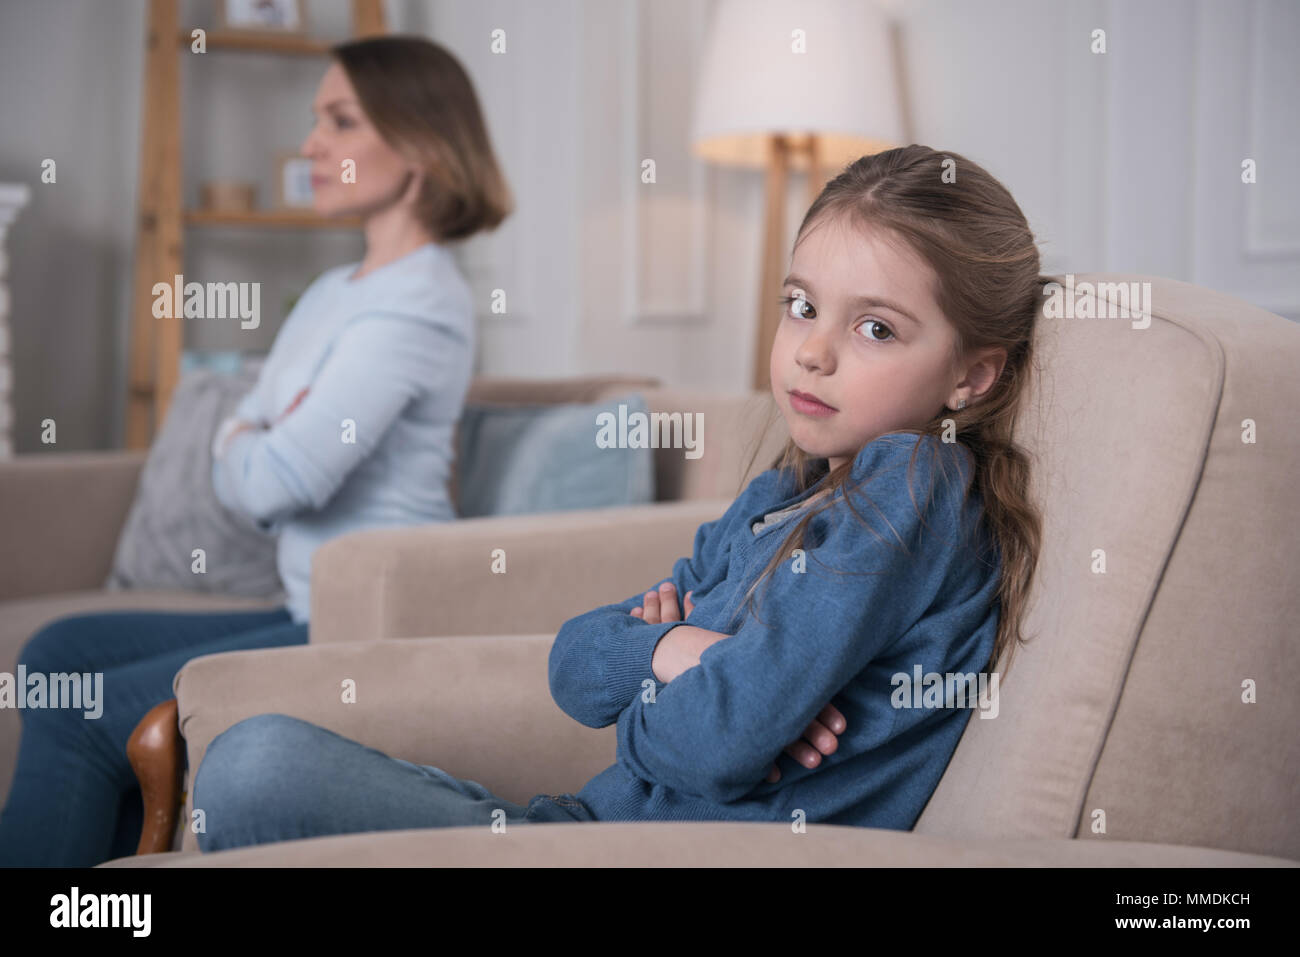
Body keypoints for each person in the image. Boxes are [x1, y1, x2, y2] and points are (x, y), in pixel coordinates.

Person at [190, 144, 1046, 851]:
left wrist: (664, 676)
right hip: (582, 828)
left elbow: (717, 741)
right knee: (252, 761)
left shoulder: (914, 482)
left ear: (972, 374)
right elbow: (573, 661)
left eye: (874, 328)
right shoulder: (781, 492)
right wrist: (673, 651)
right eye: (801, 305)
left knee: (254, 769)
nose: (812, 352)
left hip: (629, 849)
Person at [0, 36, 511, 867]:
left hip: (366, 627)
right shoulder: (330, 295)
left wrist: (250, 436)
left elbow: (277, 481)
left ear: (419, 145)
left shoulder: (422, 305)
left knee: (92, 713)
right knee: (57, 651)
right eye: (316, 119)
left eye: (339, 121)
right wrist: (255, 434)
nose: (309, 144)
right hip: (303, 602)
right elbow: (253, 443)